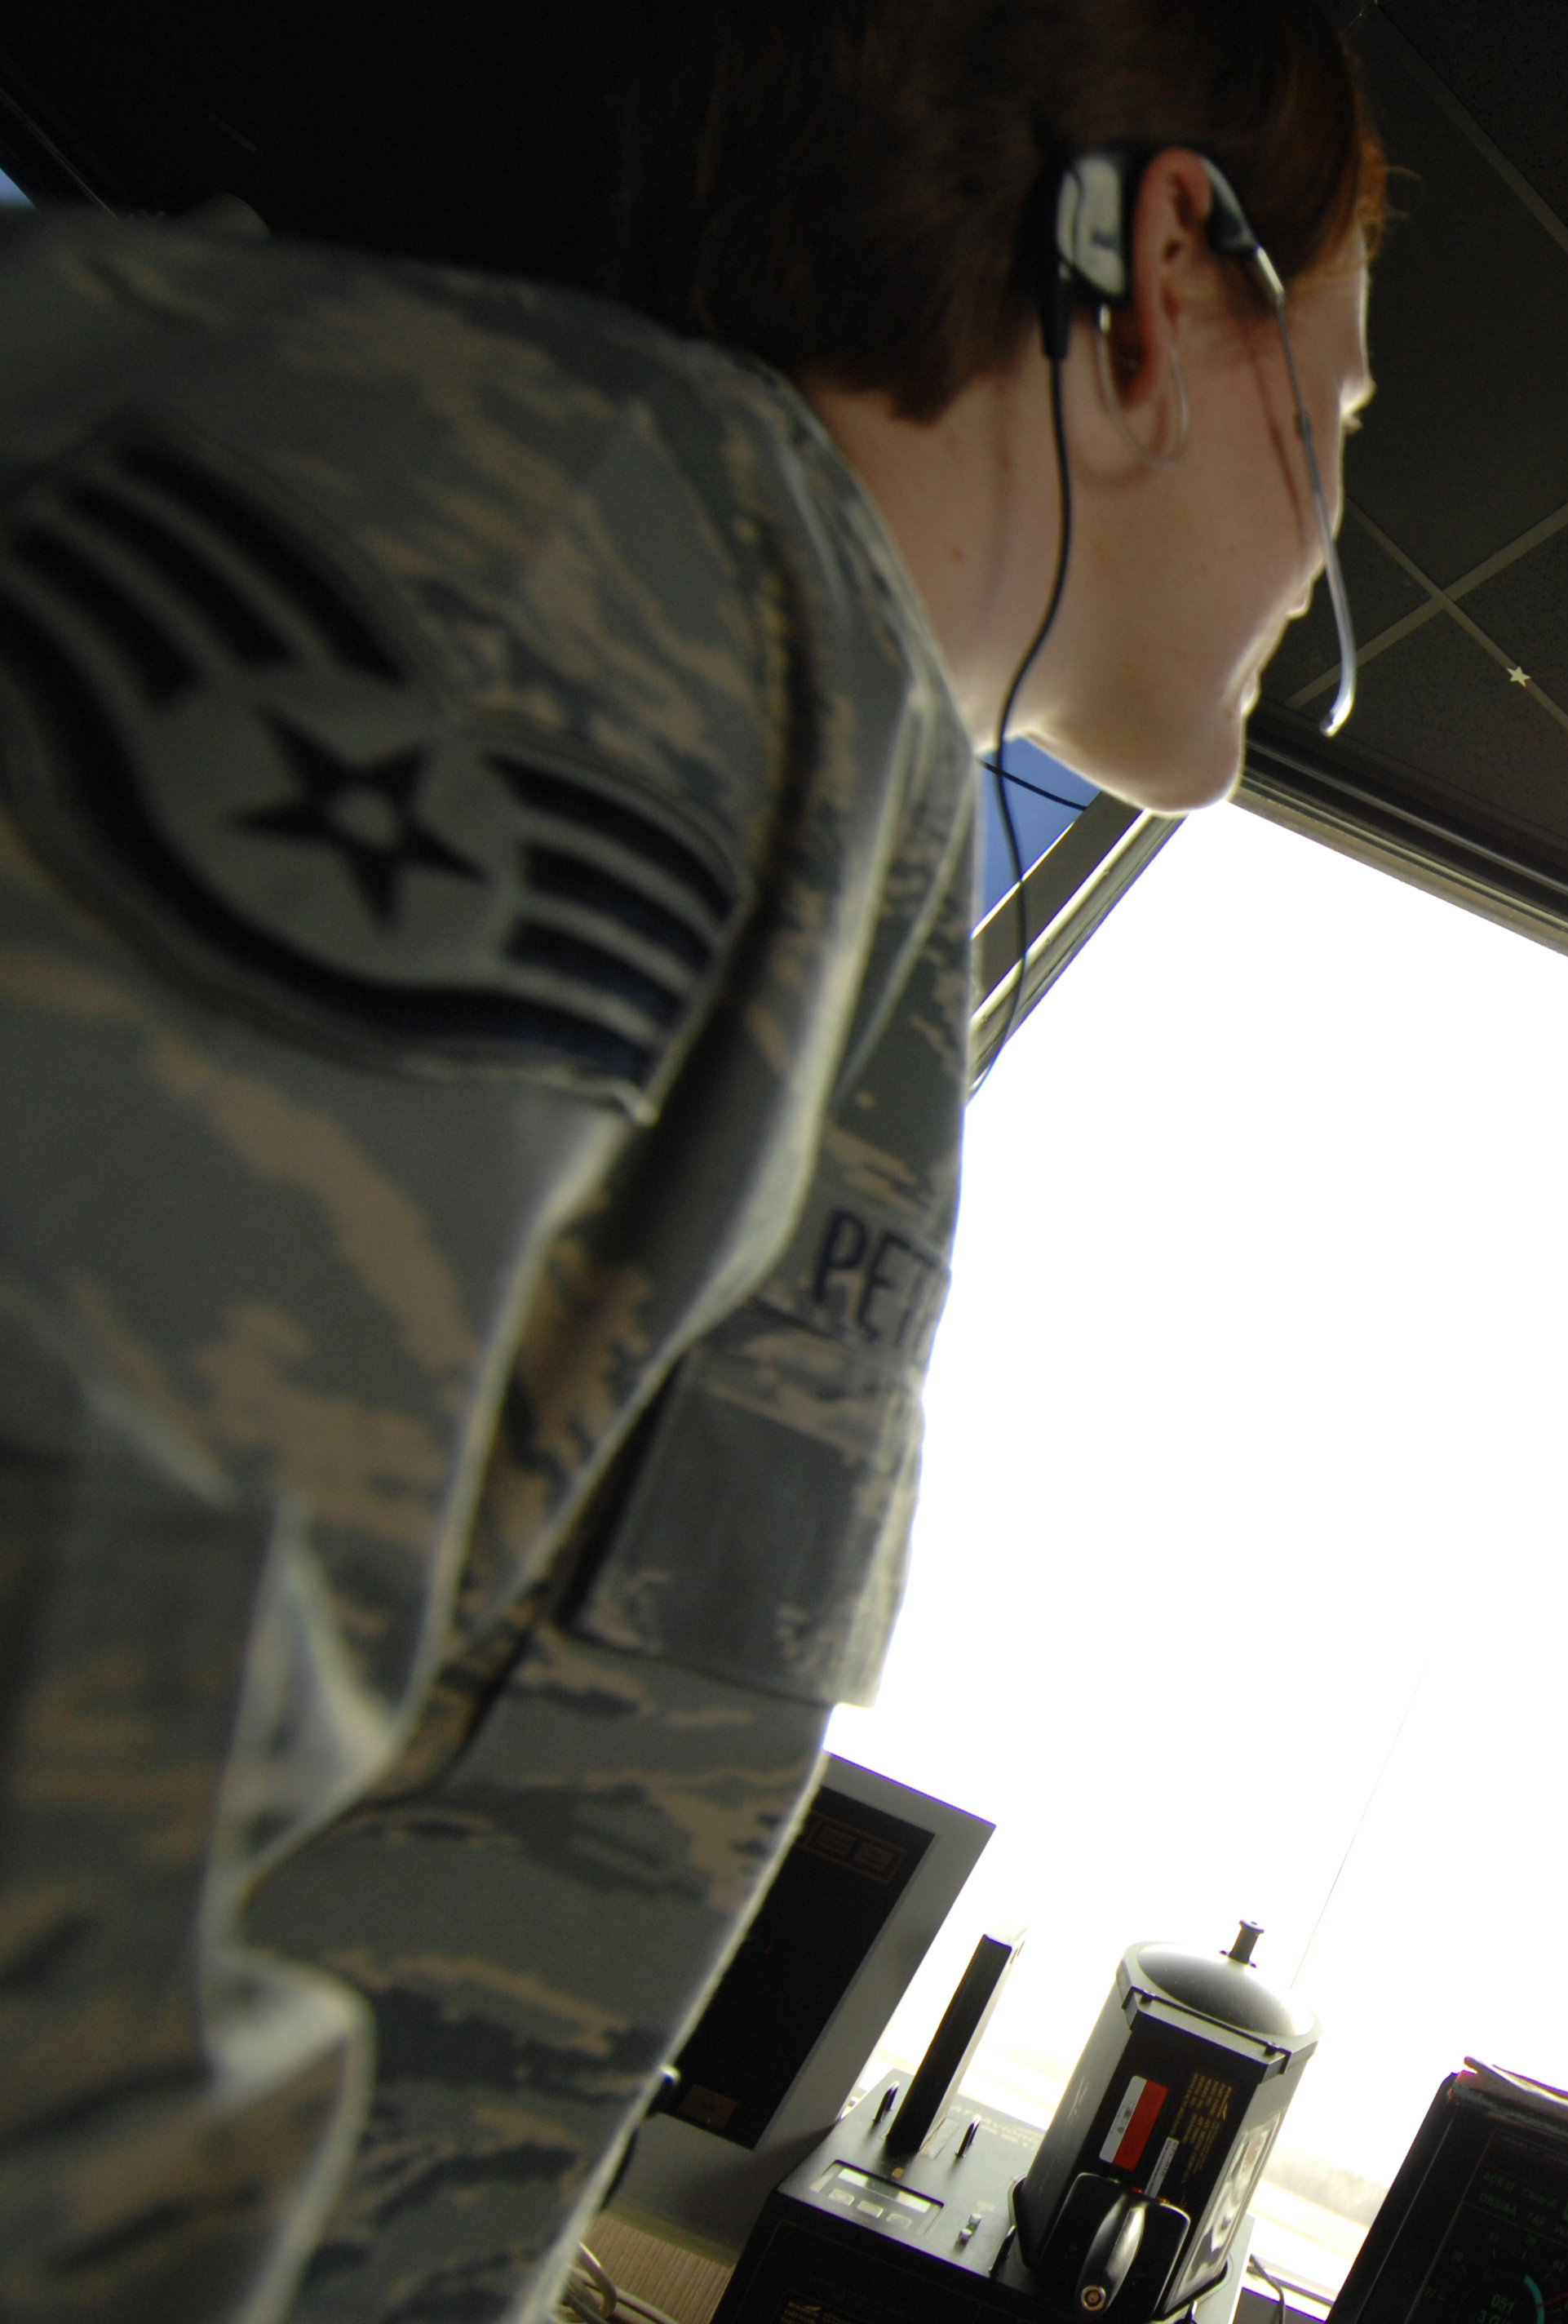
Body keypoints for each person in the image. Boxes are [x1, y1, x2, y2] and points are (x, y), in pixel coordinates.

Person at [0, 5, 1381, 2318]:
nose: (1329, 547)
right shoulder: (567, 564)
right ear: (1157, 294)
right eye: (1331, 414)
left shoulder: (746, 684)